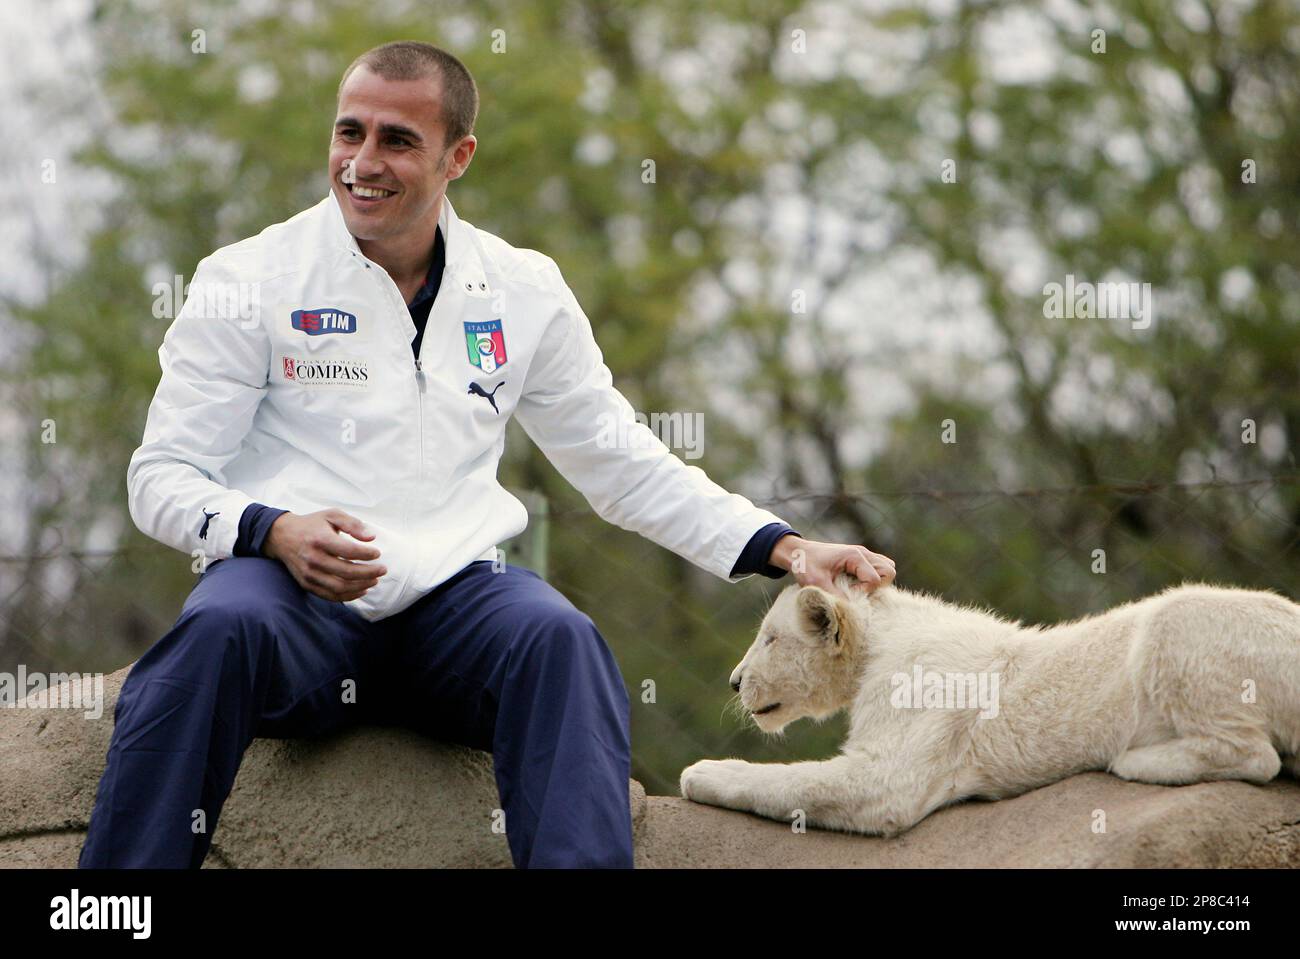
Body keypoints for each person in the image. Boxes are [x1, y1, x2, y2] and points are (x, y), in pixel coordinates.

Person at [78, 40, 896, 870]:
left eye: (397, 140)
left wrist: (787, 547)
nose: (362, 163)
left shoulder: (522, 289)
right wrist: (271, 528)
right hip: (290, 603)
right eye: (348, 132)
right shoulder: (247, 277)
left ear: (457, 155)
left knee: (560, 639)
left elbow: (621, 462)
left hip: (454, 608)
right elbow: (160, 478)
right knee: (217, 624)